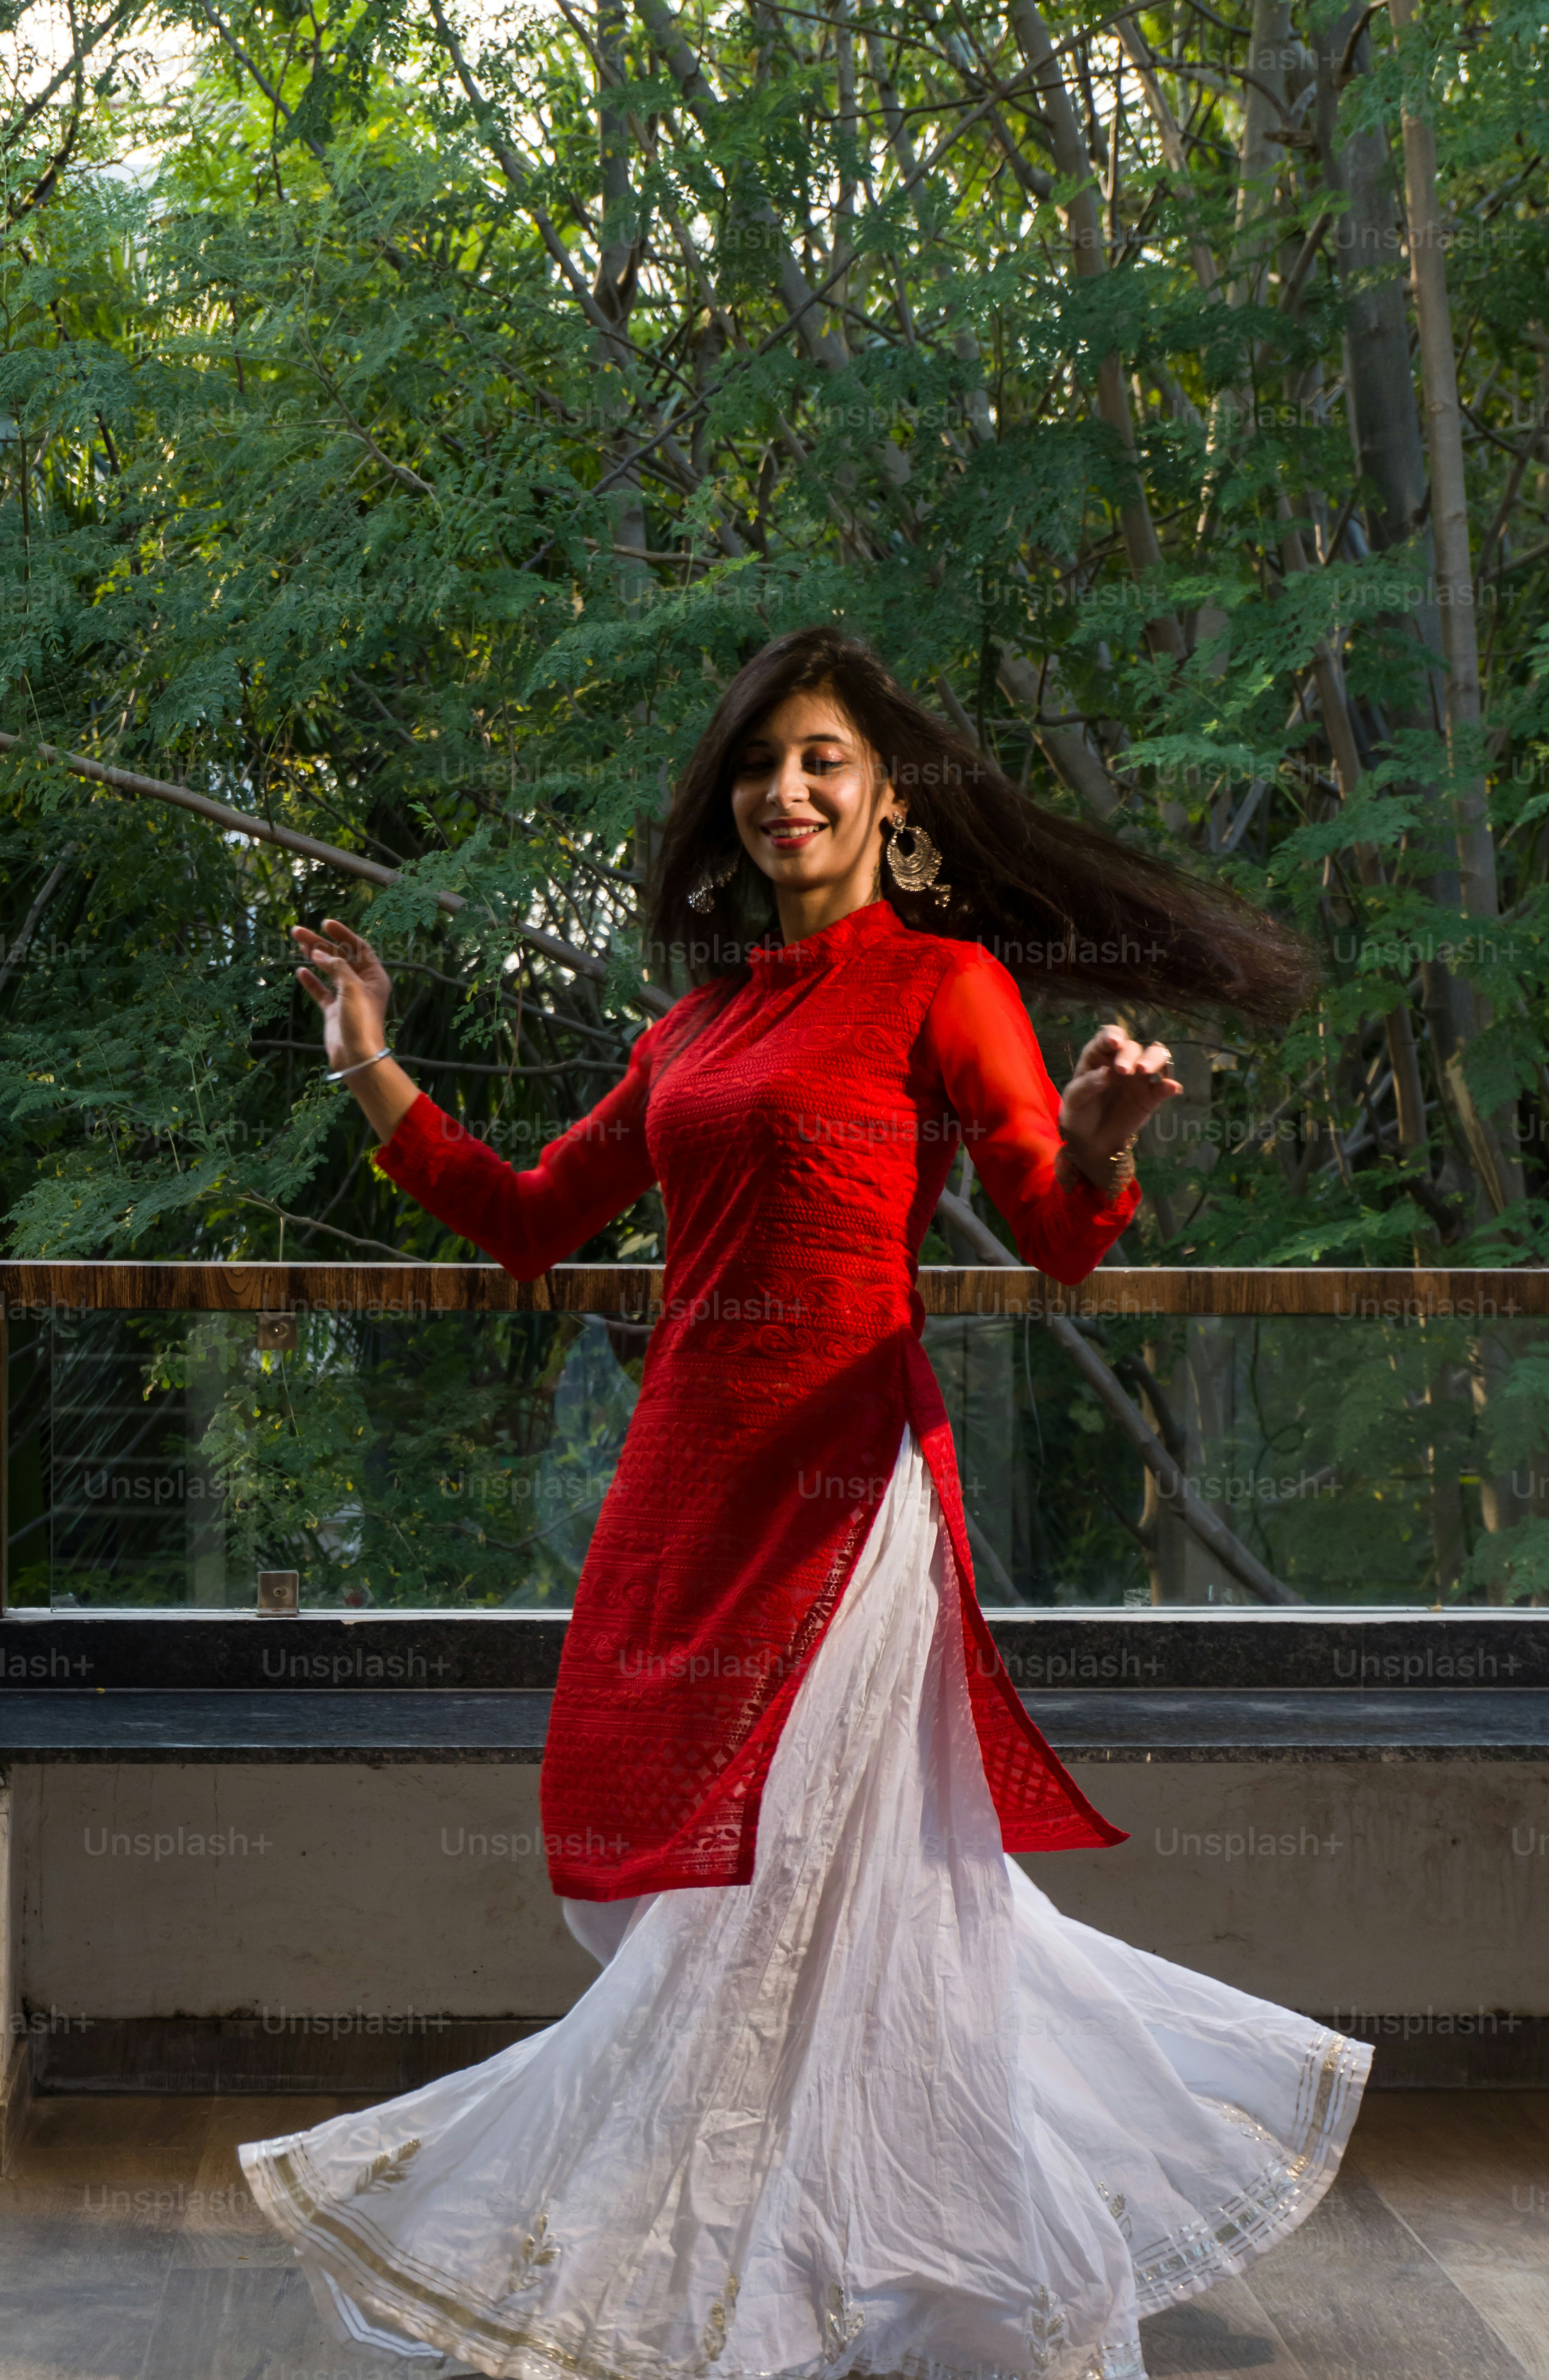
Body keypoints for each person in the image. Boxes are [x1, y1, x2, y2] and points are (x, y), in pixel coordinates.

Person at [241, 628, 1369, 2380]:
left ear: (887, 797)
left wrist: (1102, 1141)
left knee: (819, 1909)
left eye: (825, 759)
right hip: (688, 1492)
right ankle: (801, 2245)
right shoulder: (691, 1029)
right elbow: (532, 1216)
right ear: (730, 807)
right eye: (762, 766)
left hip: (853, 1505)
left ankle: (815, 2278)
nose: (790, 791)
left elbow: (1059, 1234)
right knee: (684, 1886)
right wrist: (363, 1052)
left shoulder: (942, 985)